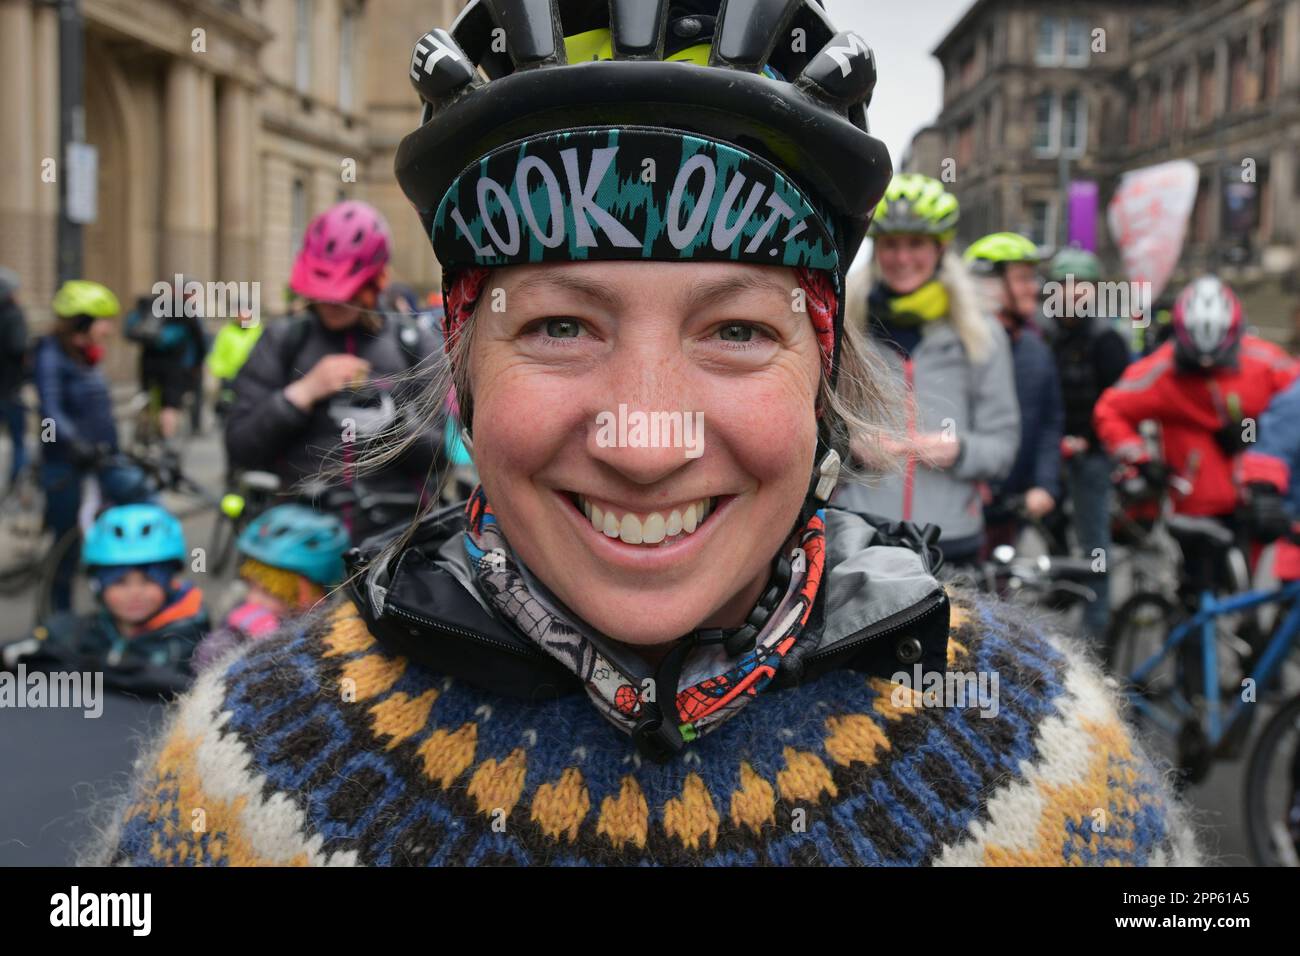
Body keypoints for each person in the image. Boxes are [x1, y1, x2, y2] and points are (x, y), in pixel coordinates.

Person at [93, 0, 1197, 867]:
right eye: (562, 324)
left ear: (825, 374)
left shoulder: (1051, 758)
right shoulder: (239, 770)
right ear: (463, 373)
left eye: (734, 329)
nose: (644, 435)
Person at [223, 200, 443, 540]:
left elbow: (445, 451)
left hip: (393, 536)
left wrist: (393, 427)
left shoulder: (412, 342)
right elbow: (240, 446)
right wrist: (300, 395)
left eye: (346, 293)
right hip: (299, 533)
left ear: (375, 282)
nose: (332, 305)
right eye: (323, 293)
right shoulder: (284, 340)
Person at [833, 175, 1020, 569]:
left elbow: (1002, 447)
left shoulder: (982, 333)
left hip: (950, 538)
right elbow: (815, 426)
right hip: (863, 532)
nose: (902, 258)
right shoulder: (845, 324)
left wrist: (955, 449)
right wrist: (850, 441)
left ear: (940, 249)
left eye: (915, 244)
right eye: (891, 244)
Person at [1094, 275, 1300, 524]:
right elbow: (1110, 410)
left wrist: (1250, 430)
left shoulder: (1266, 364)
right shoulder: (1160, 371)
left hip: (1260, 501)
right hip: (1193, 506)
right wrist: (1141, 460)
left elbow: (1291, 411)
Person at [2, 504, 208, 695]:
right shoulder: (76, 632)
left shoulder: (194, 645)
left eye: (148, 580)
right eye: (119, 582)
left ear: (169, 582)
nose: (134, 593)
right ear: (98, 585)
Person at [34, 281, 150, 611]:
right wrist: (76, 443)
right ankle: (57, 618)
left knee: (121, 526)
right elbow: (50, 413)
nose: (110, 328)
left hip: (101, 460)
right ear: (83, 322)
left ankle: (116, 614)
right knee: (66, 546)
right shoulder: (50, 354)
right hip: (65, 464)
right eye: (104, 320)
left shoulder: (85, 356)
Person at [1043, 247, 1130, 638]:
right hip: (1055, 449)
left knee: (1094, 537)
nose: (1072, 295)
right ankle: (1063, 593)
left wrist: (1088, 441)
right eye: (1065, 287)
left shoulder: (1106, 340)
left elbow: (1119, 402)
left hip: (1092, 455)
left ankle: (1097, 628)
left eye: (1080, 288)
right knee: (1050, 524)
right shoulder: (1049, 335)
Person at [963, 233, 1063, 555]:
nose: (1034, 287)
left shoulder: (1036, 349)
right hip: (959, 509)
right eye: (1022, 278)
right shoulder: (957, 347)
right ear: (988, 284)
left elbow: (1050, 422)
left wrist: (1045, 485)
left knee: (1000, 597)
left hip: (1013, 510)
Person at [192, 504, 349, 672]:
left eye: (269, 592)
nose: (252, 598)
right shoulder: (242, 618)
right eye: (251, 585)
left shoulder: (331, 639)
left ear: (312, 596)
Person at [125, 278, 209, 440]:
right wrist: (197, 363)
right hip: (173, 364)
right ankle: (166, 441)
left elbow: (131, 330)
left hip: (147, 361)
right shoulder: (183, 309)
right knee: (170, 405)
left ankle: (144, 430)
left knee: (147, 395)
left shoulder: (148, 304)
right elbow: (199, 340)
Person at [0, 266, 28, 488]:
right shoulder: (13, 314)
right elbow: (19, 347)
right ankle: (17, 485)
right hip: (10, 389)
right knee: (19, 441)